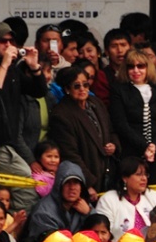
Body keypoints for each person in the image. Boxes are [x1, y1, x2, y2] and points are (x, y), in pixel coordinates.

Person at [0, 21, 48, 212]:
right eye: (2, 41)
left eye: (11, 41)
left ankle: (9, 227)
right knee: (23, 184)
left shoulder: (13, 69)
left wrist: (34, 67)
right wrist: (5, 64)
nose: (8, 45)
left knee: (5, 194)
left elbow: (38, 91)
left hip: (9, 143)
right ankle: (11, 226)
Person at [49, 65, 120, 197]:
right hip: (88, 176)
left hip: (108, 172)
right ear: (67, 89)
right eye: (77, 86)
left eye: (85, 85)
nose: (82, 89)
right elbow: (70, 154)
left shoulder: (97, 103)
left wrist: (113, 145)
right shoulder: (61, 115)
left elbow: (111, 130)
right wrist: (87, 182)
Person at [109, 48, 156, 180]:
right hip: (130, 152)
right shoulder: (119, 91)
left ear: (148, 67)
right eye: (131, 66)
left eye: (140, 66)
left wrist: (155, 146)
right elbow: (121, 124)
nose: (136, 70)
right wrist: (145, 146)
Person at [24, 161, 93, 242]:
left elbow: (99, 233)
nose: (72, 187)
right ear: (59, 186)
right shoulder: (44, 211)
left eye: (76, 183)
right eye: (67, 183)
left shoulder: (85, 205)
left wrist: (89, 213)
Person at [94, 156, 156, 241]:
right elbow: (103, 233)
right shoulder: (108, 200)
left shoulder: (153, 196)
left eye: (145, 174)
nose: (144, 178)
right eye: (138, 174)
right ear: (125, 178)